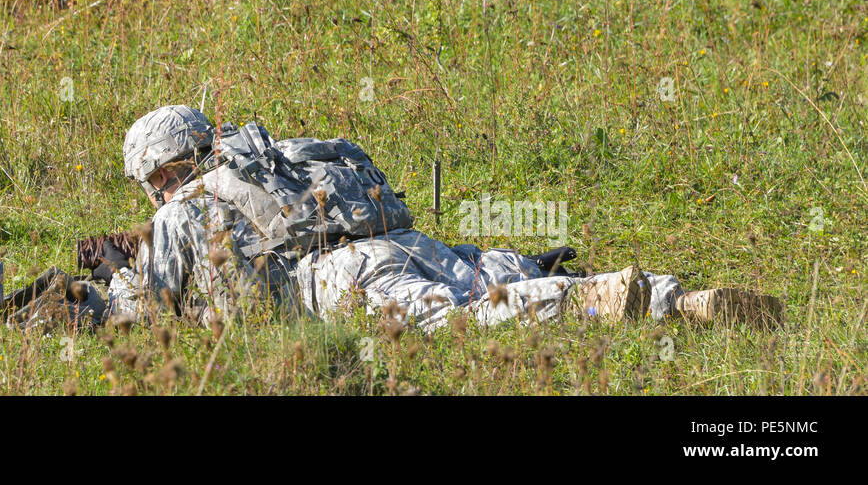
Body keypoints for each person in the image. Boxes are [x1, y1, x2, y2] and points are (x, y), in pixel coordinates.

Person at [107, 105, 783, 332]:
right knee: (477, 279)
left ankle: (621, 299)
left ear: (162, 171)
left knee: (462, 320)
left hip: (338, 275)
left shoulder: (183, 206)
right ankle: (671, 292)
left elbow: (156, 308)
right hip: (405, 240)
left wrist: (115, 281)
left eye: (152, 182)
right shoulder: (276, 154)